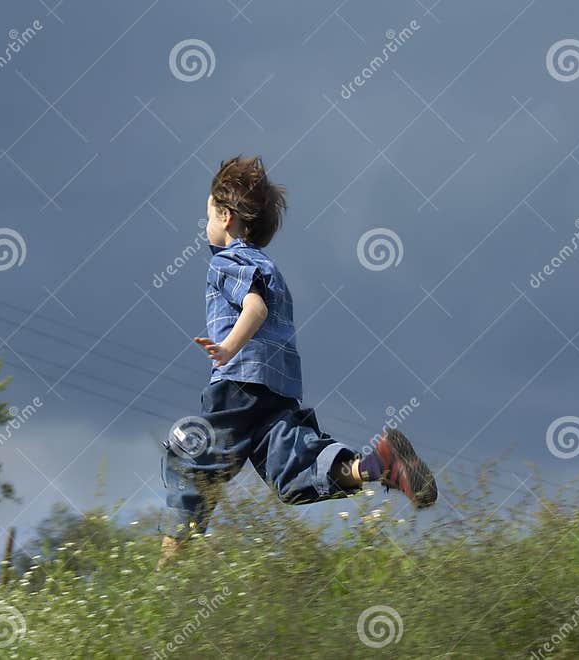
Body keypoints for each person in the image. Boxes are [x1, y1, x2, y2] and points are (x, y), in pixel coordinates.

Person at [157, 155, 436, 570]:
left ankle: (169, 573)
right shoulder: (272, 269)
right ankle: (377, 464)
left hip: (238, 381)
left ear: (227, 217)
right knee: (294, 472)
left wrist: (228, 348)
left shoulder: (227, 261)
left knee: (190, 457)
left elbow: (254, 310)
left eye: (208, 218)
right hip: (279, 386)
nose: (207, 228)